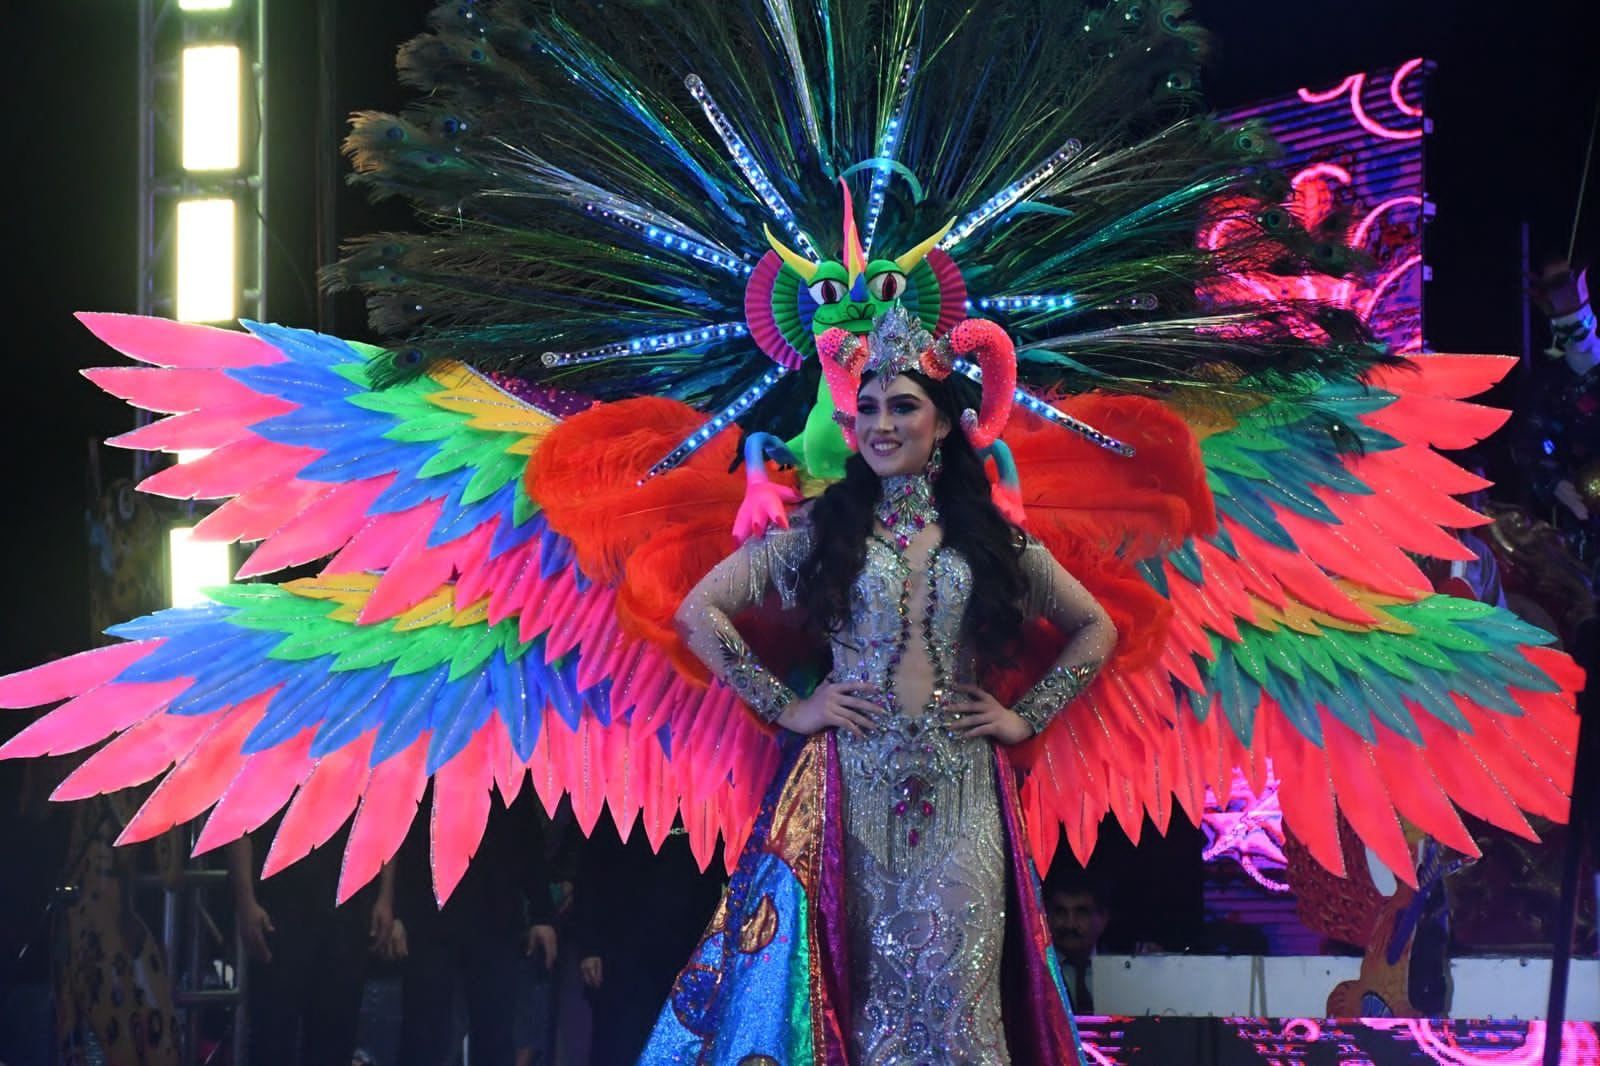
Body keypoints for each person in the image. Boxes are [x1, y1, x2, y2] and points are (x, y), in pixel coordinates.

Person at [644, 308, 1117, 1063]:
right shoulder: (821, 529)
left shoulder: (991, 539)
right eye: (867, 407)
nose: (880, 424)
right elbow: (699, 611)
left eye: (903, 406)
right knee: (850, 1006)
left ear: (945, 423)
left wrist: (1025, 717)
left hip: (964, 799)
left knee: (960, 1006)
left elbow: (1096, 628)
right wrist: (790, 707)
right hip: (847, 797)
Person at [384, 787, 558, 1066]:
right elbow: (407, 825)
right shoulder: (429, 751)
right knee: (423, 1034)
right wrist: (398, 911)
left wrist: (542, 912)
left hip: (494, 914)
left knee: (494, 1034)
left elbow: (525, 831)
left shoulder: (505, 755)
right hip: (429, 913)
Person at [1044, 876, 1111, 1015]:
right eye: (1060, 912)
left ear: (1103, 918)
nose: (1070, 924)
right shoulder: (1035, 970)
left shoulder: (1123, 970)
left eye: (1081, 913)